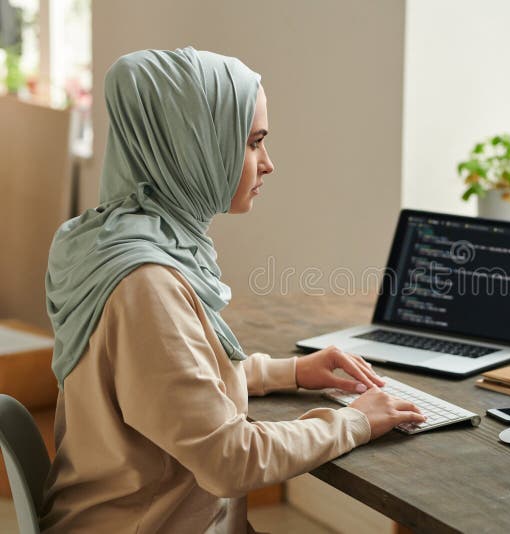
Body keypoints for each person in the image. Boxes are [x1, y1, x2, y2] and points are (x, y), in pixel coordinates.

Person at [39, 47, 425, 533]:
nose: (268, 164)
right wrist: (356, 422)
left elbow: (170, 379)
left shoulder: (116, 238)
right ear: (191, 144)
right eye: (252, 142)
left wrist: (293, 371)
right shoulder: (145, 283)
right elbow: (229, 460)